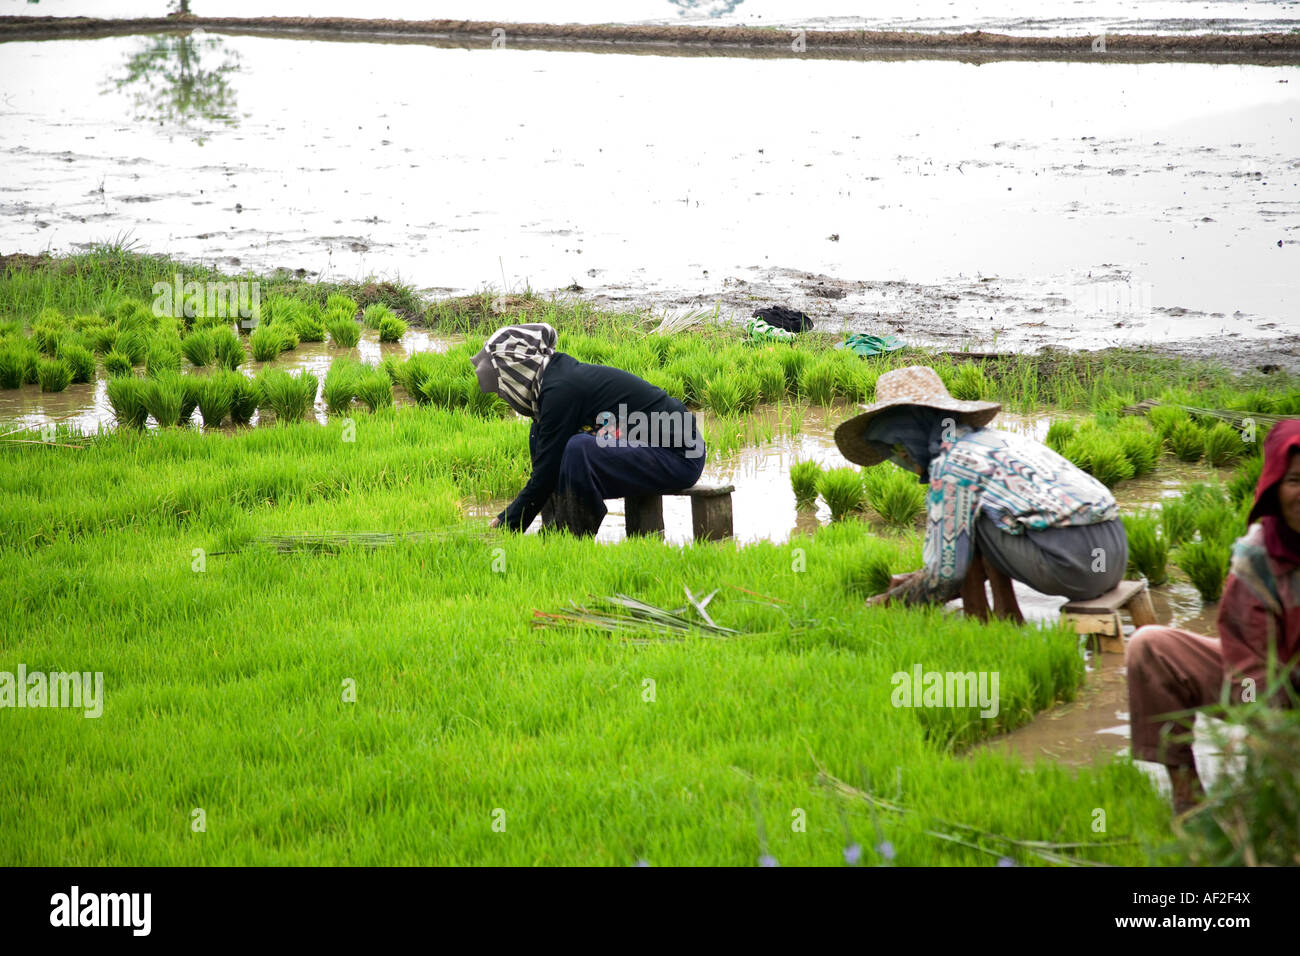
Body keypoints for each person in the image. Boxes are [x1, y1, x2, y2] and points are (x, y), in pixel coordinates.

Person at [833, 365, 1127, 621]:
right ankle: (1007, 614)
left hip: (1076, 568)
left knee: (967, 520)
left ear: (913, 433)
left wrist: (891, 602)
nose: (901, 459)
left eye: (897, 447)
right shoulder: (997, 440)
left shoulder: (951, 466)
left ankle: (980, 618)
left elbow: (945, 576)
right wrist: (919, 578)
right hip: (1114, 554)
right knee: (985, 514)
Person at [1126, 419, 1300, 815]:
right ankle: (1188, 799)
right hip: (1274, 684)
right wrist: (1277, 748)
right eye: (1295, 480)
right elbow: (1252, 667)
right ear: (1275, 485)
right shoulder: (1257, 558)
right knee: (1151, 648)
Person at [473, 323, 706, 536]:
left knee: (578, 449)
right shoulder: (555, 378)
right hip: (644, 446)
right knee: (540, 436)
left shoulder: (560, 390)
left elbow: (546, 475)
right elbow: (547, 462)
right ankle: (555, 529)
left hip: (681, 455)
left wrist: (506, 523)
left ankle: (573, 535)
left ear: (518, 369)